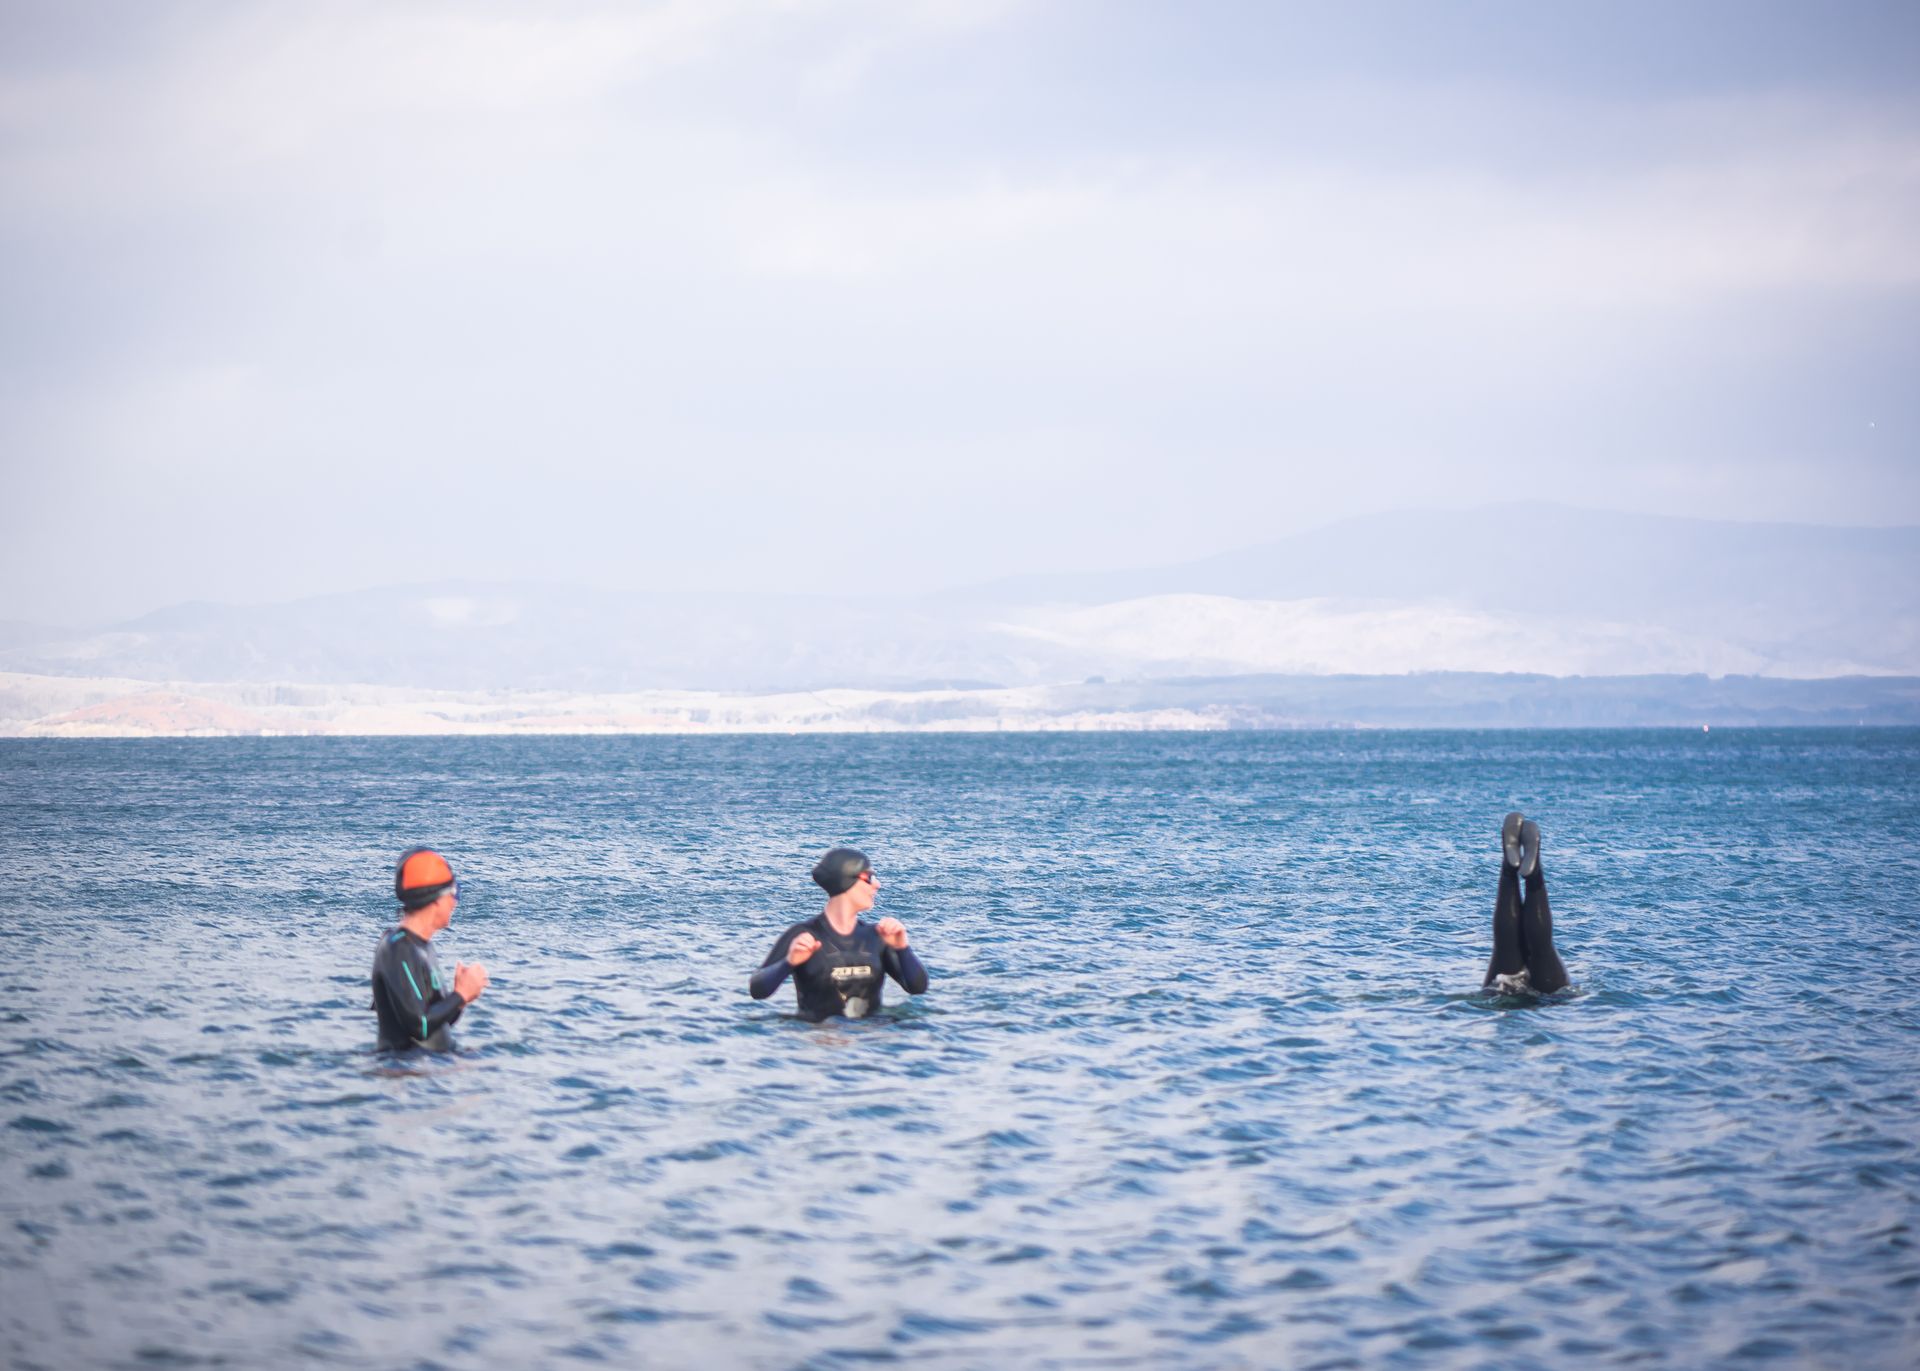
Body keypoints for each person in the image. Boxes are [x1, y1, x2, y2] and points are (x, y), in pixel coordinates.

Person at [749, 847, 928, 1020]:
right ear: (845, 880)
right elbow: (757, 991)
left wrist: (902, 948)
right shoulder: (805, 936)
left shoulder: (876, 937)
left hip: (872, 1042)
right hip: (822, 1040)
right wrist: (789, 962)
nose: (877, 885)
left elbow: (917, 988)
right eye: (869, 877)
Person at [371, 847, 489, 1051]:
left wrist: (461, 999)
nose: (455, 902)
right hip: (406, 1071)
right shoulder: (397, 949)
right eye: (454, 893)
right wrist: (460, 994)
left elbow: (436, 1023)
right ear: (437, 899)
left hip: (430, 1068)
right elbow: (420, 1026)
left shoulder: (422, 946)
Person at [1483, 812, 1569, 994]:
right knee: (1540, 949)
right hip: (1548, 997)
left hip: (1503, 990)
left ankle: (1510, 864)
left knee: (1506, 947)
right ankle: (1532, 870)